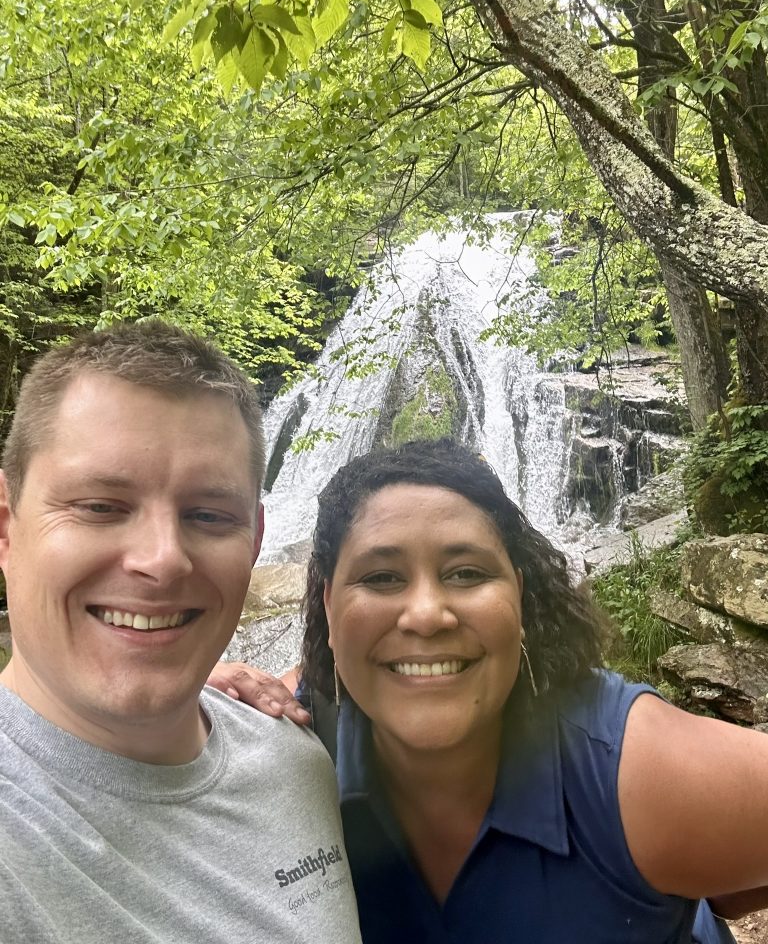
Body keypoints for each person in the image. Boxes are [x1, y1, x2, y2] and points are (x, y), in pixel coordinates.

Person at [211, 437, 768, 943]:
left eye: (467, 573)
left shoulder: (633, 770)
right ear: (329, 606)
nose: (427, 615)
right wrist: (183, 710)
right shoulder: (275, 740)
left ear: (518, 599)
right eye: (382, 577)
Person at [0, 320, 361, 944]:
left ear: (254, 540)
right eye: (100, 506)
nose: (163, 558)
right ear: (6, 530)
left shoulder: (295, 760)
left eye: (208, 515)